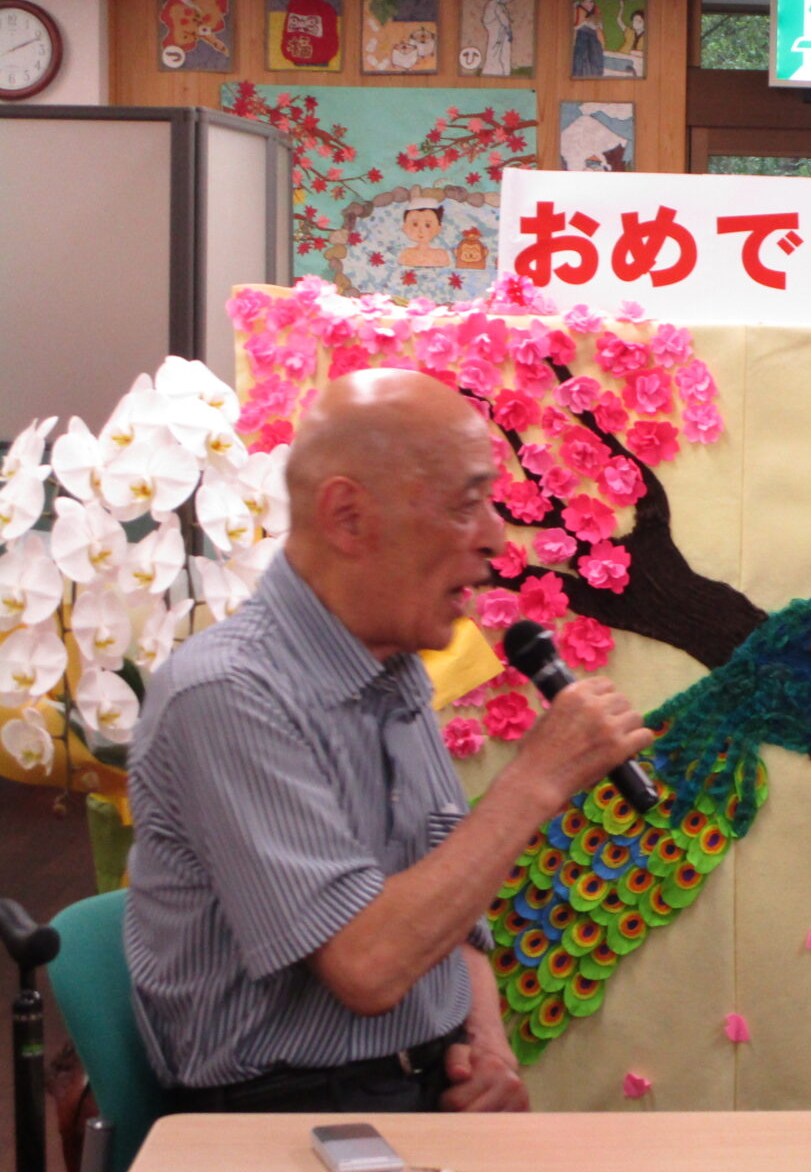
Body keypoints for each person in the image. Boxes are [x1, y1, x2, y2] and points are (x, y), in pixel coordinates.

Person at [126, 369, 651, 1112]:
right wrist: (537, 779)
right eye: (467, 505)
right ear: (348, 517)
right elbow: (368, 965)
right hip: (281, 1118)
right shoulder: (227, 696)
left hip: (425, 1080)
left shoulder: (390, 660)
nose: (498, 539)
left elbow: (449, 898)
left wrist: (488, 1042)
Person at [481, 0, 518, 76]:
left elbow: (506, 22)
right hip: (496, 36)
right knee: (494, 56)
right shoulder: (493, 4)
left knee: (504, 57)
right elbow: (501, 21)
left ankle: (505, 73)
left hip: (504, 38)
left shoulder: (502, 7)